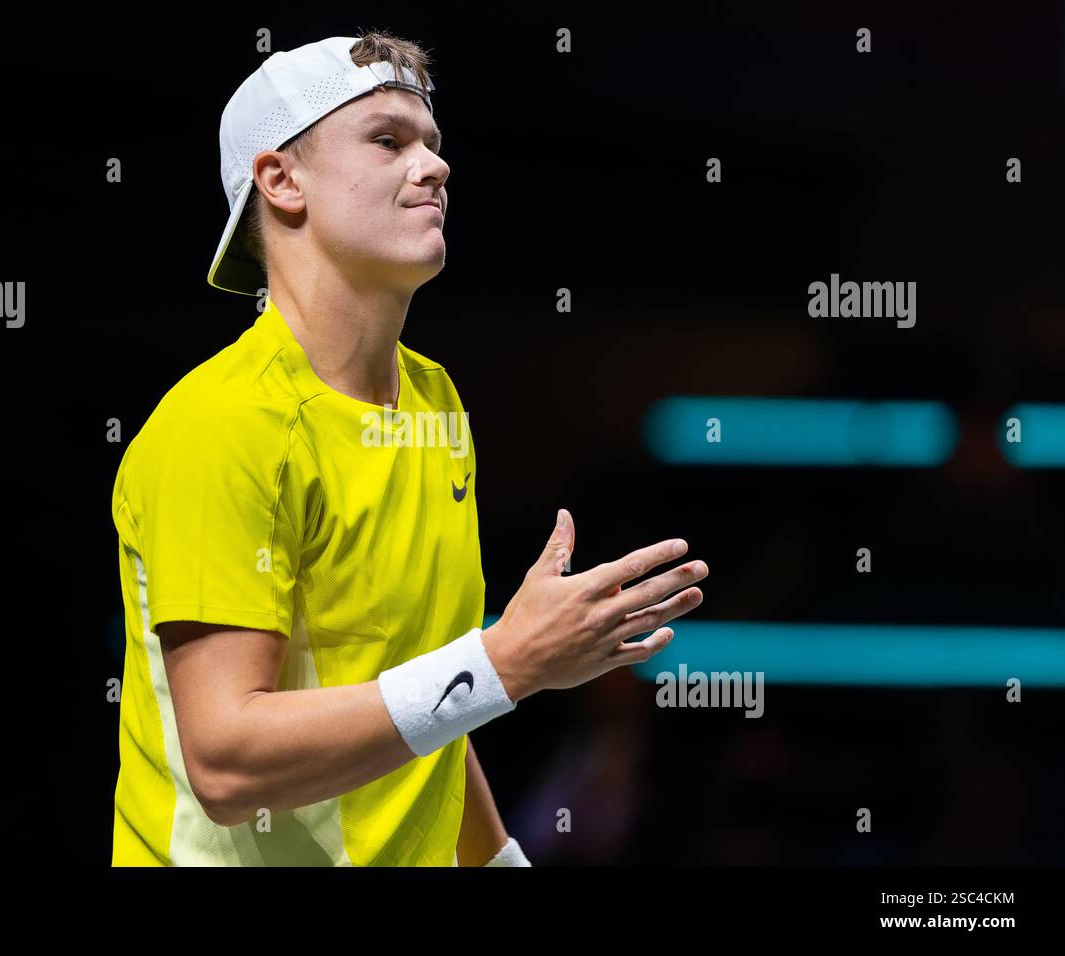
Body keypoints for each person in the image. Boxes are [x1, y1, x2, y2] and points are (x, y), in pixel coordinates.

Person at [109, 31, 708, 866]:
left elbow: (423, 698)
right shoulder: (222, 424)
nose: (434, 167)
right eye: (388, 141)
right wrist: (505, 663)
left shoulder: (434, 403)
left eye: (432, 144)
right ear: (282, 182)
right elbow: (224, 759)